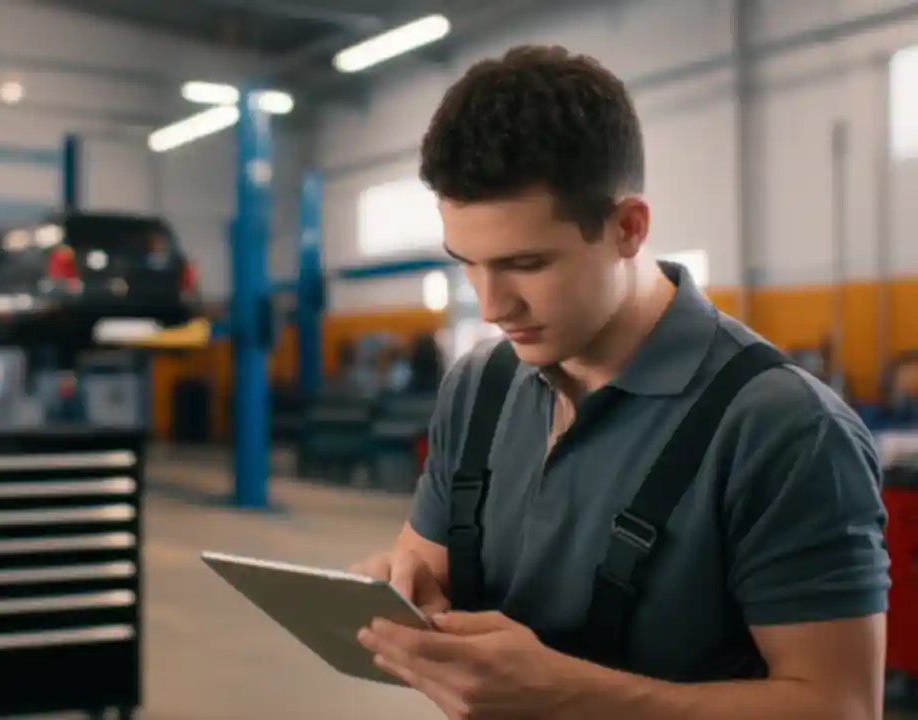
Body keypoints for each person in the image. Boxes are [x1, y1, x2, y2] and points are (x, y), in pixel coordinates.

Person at [351, 45, 889, 719]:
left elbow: (840, 708)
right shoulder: (479, 386)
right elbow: (424, 559)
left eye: (527, 263)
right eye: (469, 264)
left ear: (629, 228)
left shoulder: (785, 430)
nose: (492, 307)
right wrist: (401, 587)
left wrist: (569, 694)